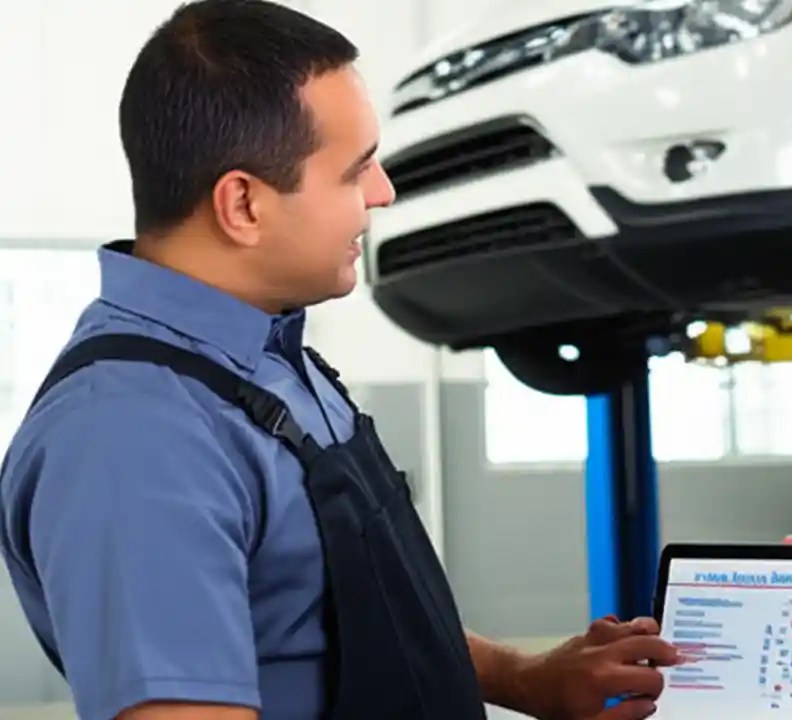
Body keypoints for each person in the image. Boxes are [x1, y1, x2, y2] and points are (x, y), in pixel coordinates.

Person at [0, 2, 677, 719]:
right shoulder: (136, 436)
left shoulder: (268, 361)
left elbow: (336, 615)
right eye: (356, 171)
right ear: (244, 206)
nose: (383, 192)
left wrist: (520, 677)